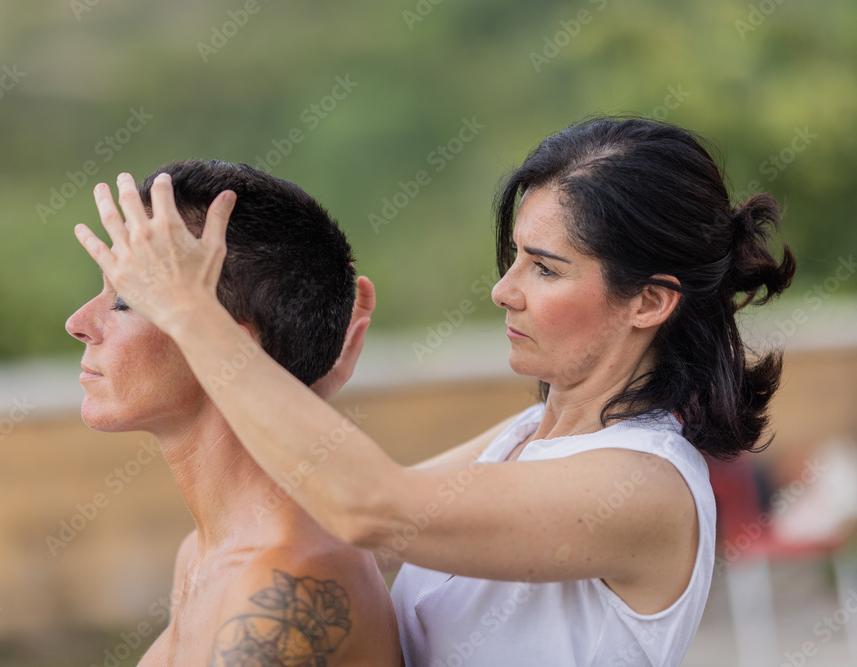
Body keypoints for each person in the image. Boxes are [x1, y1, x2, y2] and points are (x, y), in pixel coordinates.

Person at [74, 116, 797, 666]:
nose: (504, 290)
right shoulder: (531, 437)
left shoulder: (641, 485)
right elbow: (326, 501)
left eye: (545, 268)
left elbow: (369, 508)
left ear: (648, 301)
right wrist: (303, 370)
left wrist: (191, 315)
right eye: (515, 256)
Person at [65, 159, 403, 666]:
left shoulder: (284, 584)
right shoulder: (207, 553)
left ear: (224, 346)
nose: (78, 323)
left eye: (128, 299)